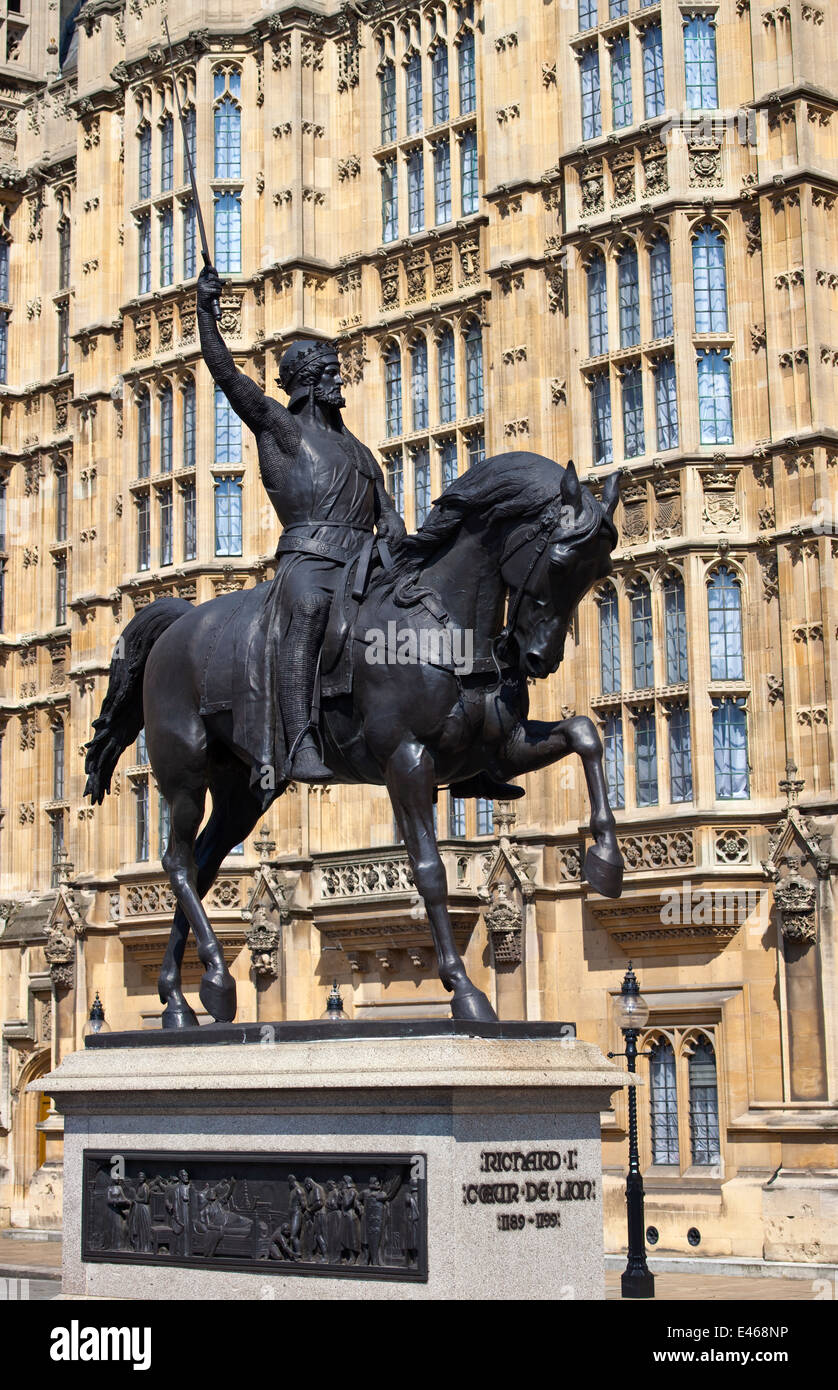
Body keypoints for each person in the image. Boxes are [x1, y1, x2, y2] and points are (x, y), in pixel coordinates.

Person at [197, 264, 406, 788]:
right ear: (309, 384)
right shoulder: (282, 430)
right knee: (310, 611)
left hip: (364, 567)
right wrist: (206, 312)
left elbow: (387, 510)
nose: (341, 380)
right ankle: (299, 740)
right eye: (331, 373)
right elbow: (227, 376)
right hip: (310, 563)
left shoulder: (357, 448)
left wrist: (397, 527)